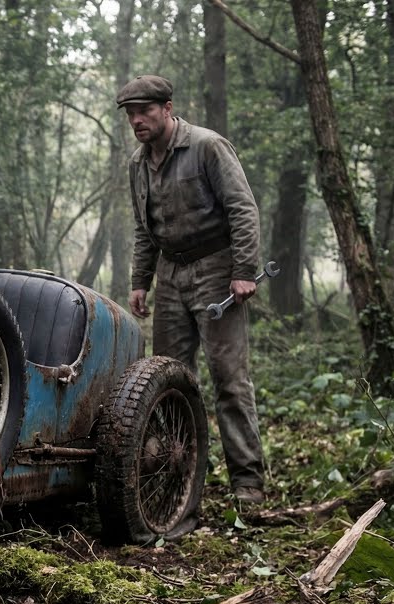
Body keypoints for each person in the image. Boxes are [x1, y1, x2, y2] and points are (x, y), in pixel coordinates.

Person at [116, 74, 266, 505]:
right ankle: (173, 477)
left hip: (217, 270)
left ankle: (247, 482)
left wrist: (243, 270)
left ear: (167, 108)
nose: (137, 120)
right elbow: (145, 229)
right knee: (167, 379)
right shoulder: (137, 164)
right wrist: (139, 281)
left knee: (229, 379)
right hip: (170, 275)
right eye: (130, 114)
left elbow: (242, 208)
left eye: (144, 111)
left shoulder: (207, 146)